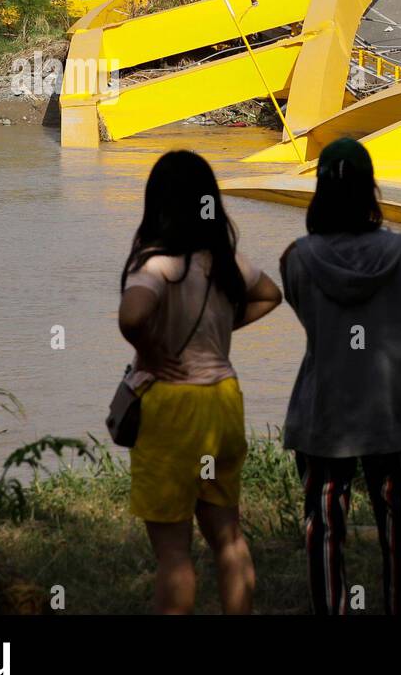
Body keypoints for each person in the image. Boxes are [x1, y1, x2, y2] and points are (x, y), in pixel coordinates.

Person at [118, 150, 282, 614]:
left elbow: (132, 315)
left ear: (156, 204)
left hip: (173, 408)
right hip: (223, 402)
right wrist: (225, 329)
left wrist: (150, 352)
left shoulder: (157, 263)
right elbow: (271, 294)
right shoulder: (223, 259)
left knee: (173, 553)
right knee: (228, 538)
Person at [280, 136, 401, 616]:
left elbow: (307, 313)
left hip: (325, 406)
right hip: (391, 404)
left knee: (324, 525)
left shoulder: (297, 258)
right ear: (371, 191)